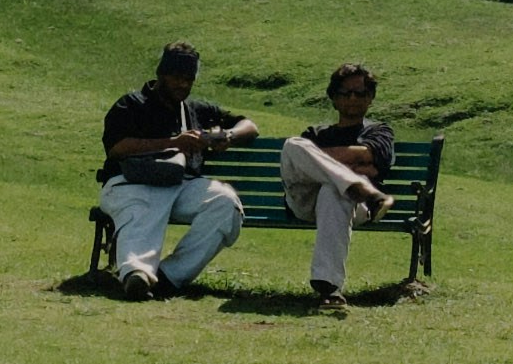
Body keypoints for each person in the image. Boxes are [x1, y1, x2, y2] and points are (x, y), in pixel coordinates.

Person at [98, 41, 254, 299]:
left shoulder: (196, 110)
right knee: (144, 207)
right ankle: (136, 275)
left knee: (225, 204)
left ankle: (169, 277)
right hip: (130, 182)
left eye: (189, 79)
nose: (183, 84)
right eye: (176, 77)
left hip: (180, 184)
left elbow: (249, 125)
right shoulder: (132, 103)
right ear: (161, 74)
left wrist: (227, 135)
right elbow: (116, 148)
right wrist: (173, 143)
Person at [278, 64, 392, 314]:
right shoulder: (314, 133)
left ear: (370, 98)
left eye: (360, 93)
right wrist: (356, 165)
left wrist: (322, 160)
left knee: (334, 191)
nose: (352, 98)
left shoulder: (379, 131)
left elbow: (375, 157)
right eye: (345, 93)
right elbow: (301, 160)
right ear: (333, 97)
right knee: (293, 145)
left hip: (354, 207)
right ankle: (364, 190)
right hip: (306, 201)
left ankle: (329, 287)